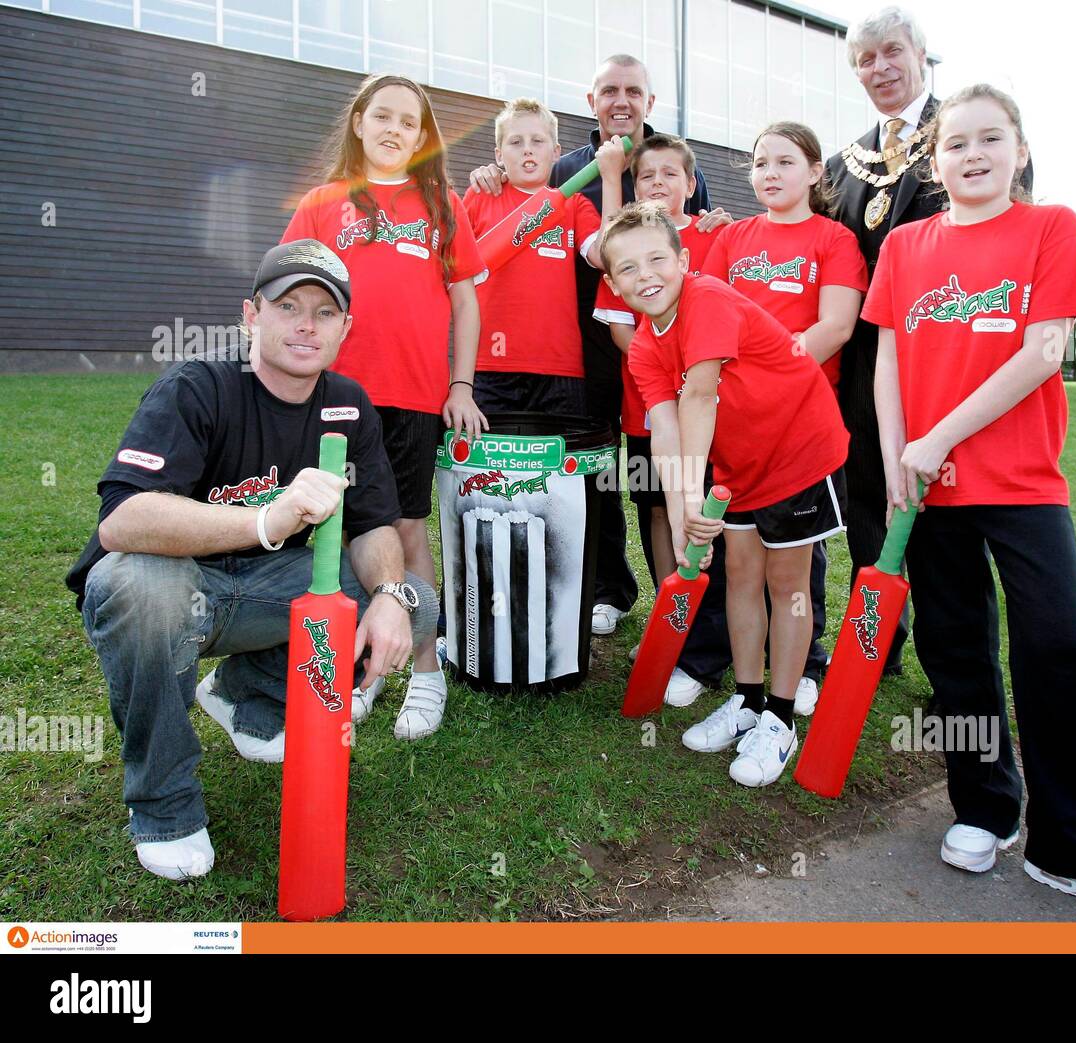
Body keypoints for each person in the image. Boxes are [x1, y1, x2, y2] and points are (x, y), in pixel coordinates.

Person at [864, 84, 1076, 921]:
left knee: (1060, 645)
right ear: (934, 163)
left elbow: (1043, 353)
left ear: (1020, 150)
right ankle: (985, 807)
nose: (972, 154)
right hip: (928, 487)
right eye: (956, 144)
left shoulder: (1052, 228)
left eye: (990, 139)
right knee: (957, 650)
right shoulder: (903, 245)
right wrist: (901, 452)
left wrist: (937, 439)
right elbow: (888, 358)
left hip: (1021, 480)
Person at [65, 240, 436, 881]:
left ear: (345, 328)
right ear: (250, 315)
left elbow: (376, 525)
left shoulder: (349, 404)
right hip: (178, 586)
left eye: (324, 313)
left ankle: (248, 697)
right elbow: (122, 519)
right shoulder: (198, 386)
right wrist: (267, 519)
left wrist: (389, 599)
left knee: (413, 600)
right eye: (287, 306)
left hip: (268, 589)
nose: (305, 325)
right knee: (143, 588)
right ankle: (164, 803)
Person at [468, 55, 727, 637]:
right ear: (591, 100)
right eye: (609, 90)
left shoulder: (670, 156)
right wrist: (494, 175)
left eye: (633, 91)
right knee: (604, 473)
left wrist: (714, 224)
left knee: (634, 473)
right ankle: (599, 586)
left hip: (657, 346)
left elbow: (691, 226)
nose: (621, 100)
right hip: (590, 342)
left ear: (649, 104)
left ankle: (644, 596)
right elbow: (516, 218)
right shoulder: (569, 168)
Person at [607, 203, 849, 789]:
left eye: (657, 259)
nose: (647, 276)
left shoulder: (708, 297)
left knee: (785, 583)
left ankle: (782, 716)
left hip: (797, 449)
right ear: (613, 284)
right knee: (740, 576)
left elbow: (701, 396)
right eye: (629, 269)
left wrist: (691, 496)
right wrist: (685, 501)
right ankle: (747, 699)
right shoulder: (642, 346)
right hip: (737, 465)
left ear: (684, 260)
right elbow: (662, 427)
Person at [826, 6, 1032, 675]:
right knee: (868, 503)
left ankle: (961, 668)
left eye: (891, 52)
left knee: (950, 521)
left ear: (921, 54)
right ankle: (876, 643)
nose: (880, 68)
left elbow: (1012, 240)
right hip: (865, 365)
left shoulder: (973, 135)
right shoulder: (841, 164)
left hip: (954, 360)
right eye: (865, 59)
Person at [282, 74, 487, 739]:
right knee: (334, 534)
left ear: (423, 138)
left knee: (401, 531)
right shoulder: (321, 202)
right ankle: (364, 668)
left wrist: (461, 385)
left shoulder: (442, 203)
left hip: (410, 397)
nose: (396, 129)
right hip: (332, 396)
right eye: (384, 116)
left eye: (411, 121)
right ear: (360, 123)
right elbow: (288, 292)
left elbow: (465, 301)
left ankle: (426, 670)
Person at [699, 121, 868, 716]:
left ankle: (794, 683)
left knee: (797, 565)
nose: (770, 173)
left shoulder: (833, 239)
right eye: (760, 163)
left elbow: (836, 326)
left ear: (816, 172)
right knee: (741, 566)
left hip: (800, 424)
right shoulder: (734, 238)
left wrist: (767, 372)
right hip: (738, 427)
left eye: (785, 162)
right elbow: (707, 317)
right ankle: (747, 695)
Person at [591, 135, 729, 701]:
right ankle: (675, 606)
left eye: (670, 175)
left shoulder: (714, 237)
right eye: (646, 176)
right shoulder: (626, 247)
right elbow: (622, 327)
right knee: (658, 505)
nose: (657, 185)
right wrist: (662, 372)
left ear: (690, 185)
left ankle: (713, 638)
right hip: (648, 407)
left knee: (711, 511)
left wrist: (687, 375)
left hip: (707, 406)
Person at [463, 98, 627, 414]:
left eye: (538, 141)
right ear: (498, 155)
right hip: (489, 366)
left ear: (555, 152)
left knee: (554, 461)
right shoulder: (480, 197)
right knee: (490, 463)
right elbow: (455, 272)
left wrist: (610, 178)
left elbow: (606, 256)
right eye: (515, 142)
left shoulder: (573, 204)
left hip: (560, 369)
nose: (528, 149)